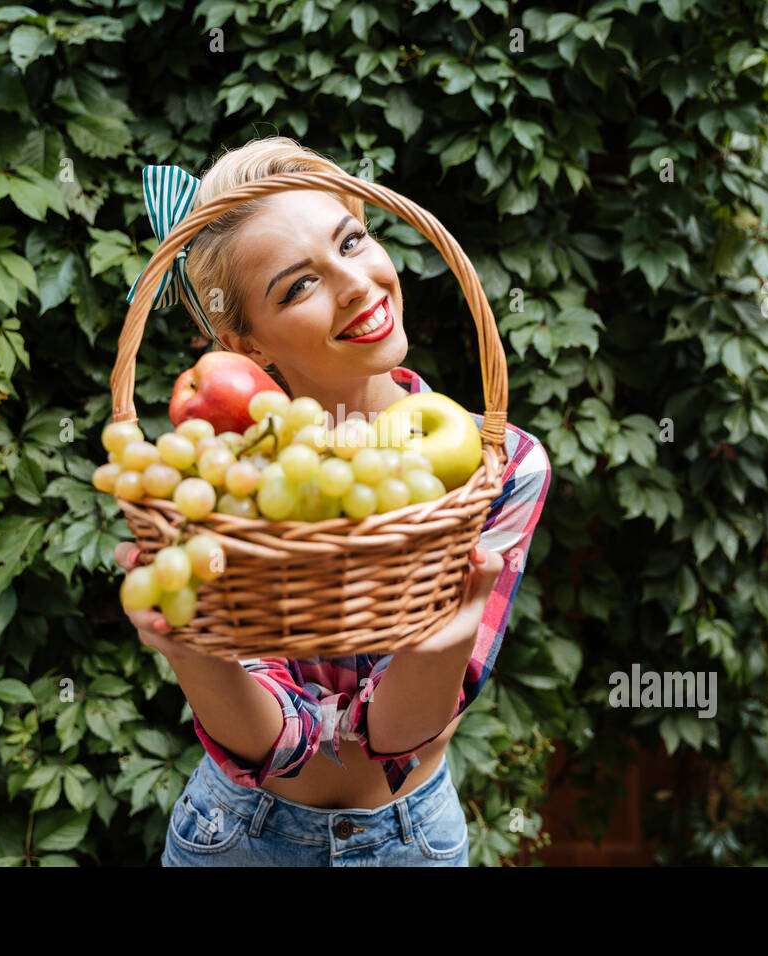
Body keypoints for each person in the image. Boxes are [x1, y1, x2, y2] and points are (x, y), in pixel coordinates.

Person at [115, 136, 552, 866]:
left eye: (353, 240)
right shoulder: (230, 483)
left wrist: (439, 646)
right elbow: (273, 744)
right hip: (239, 840)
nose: (355, 283)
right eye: (297, 286)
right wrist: (194, 653)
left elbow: (399, 742)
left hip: (411, 839)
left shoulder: (496, 467)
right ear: (242, 343)